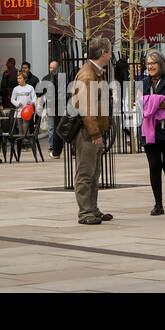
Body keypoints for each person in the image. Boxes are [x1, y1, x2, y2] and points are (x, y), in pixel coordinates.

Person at [70, 37, 113, 225]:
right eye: (110, 51)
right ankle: (85, 212)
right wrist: (95, 133)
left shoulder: (95, 73)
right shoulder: (88, 75)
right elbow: (86, 109)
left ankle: (92, 209)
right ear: (104, 53)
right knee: (86, 172)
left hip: (93, 131)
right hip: (87, 132)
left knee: (95, 173)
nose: (111, 55)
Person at [139, 52, 165, 215]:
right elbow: (139, 103)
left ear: (161, 64)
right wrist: (156, 101)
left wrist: (151, 101)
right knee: (154, 166)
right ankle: (158, 204)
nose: (150, 66)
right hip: (149, 131)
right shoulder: (143, 83)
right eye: (148, 63)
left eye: (153, 63)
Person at [10, 70, 36, 134]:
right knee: (20, 129)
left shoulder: (30, 88)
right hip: (19, 111)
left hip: (27, 112)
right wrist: (17, 103)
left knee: (26, 128)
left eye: (20, 78)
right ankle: (21, 142)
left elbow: (34, 98)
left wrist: (32, 103)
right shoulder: (16, 89)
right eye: (17, 78)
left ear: (24, 79)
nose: (18, 80)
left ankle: (26, 142)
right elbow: (12, 99)